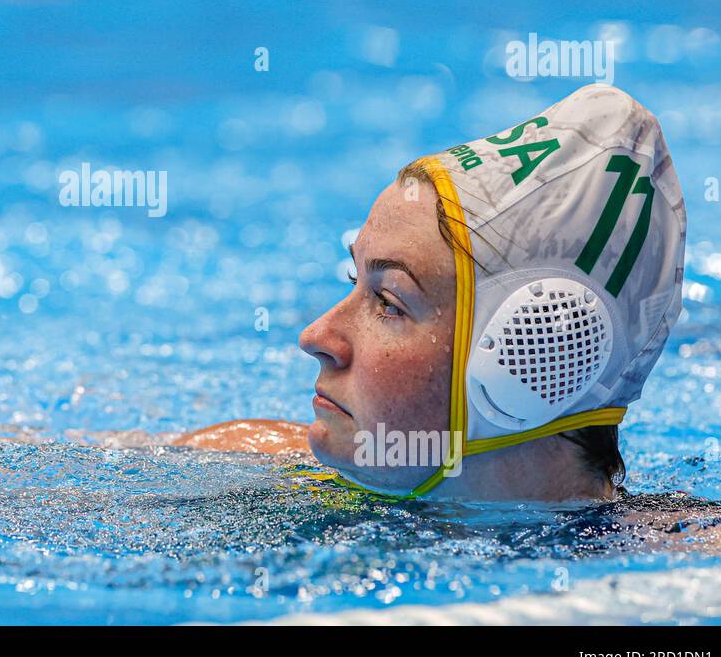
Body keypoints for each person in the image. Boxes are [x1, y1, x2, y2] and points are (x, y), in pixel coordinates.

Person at [174, 83, 687, 503]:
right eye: (356, 282)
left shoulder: (710, 572)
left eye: (389, 303)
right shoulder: (228, 464)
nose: (317, 336)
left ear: (532, 358)